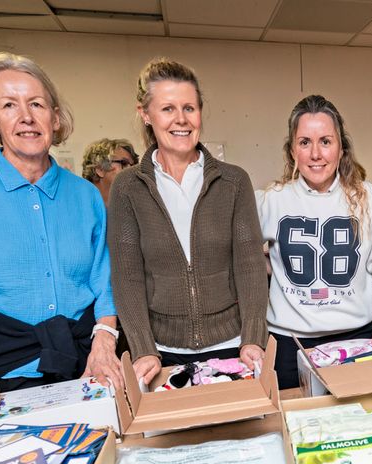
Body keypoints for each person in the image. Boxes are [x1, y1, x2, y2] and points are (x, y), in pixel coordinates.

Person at [0, 52, 122, 434]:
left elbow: (105, 283)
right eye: (9, 105)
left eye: (36, 104)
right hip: (1, 379)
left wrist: (103, 346)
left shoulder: (85, 195)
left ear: (55, 117)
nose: (26, 117)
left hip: (85, 369)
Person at [109, 58, 267, 384]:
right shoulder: (127, 188)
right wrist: (142, 348)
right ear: (146, 114)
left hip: (232, 348)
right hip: (161, 353)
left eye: (190, 108)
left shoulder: (234, 182)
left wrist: (253, 337)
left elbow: (250, 266)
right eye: (168, 109)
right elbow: (127, 278)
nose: (181, 119)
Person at [259, 95, 372, 388]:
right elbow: (243, 257)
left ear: (341, 149)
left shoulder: (369, 198)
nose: (316, 153)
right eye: (305, 142)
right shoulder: (270, 200)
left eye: (325, 141)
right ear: (292, 151)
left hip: (358, 340)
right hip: (290, 346)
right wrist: (271, 267)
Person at [81, 138, 137, 204]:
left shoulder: (132, 204)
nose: (131, 170)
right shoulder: (80, 204)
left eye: (133, 165)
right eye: (124, 163)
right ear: (100, 169)